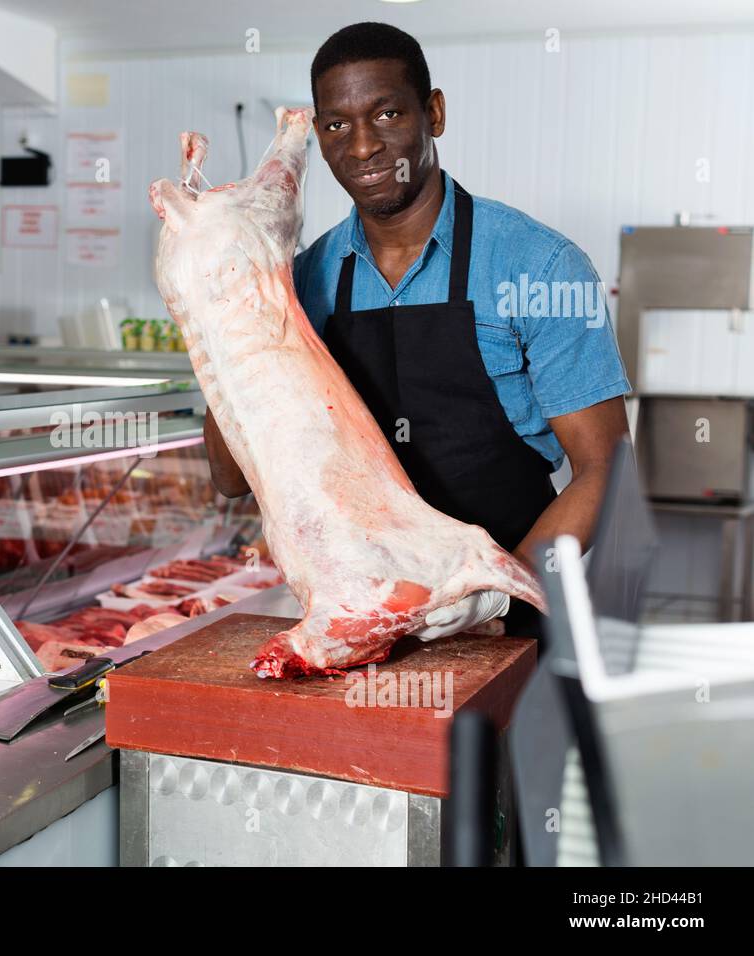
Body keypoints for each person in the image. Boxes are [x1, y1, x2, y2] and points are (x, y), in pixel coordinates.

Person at [204, 22, 630, 638]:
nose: (362, 147)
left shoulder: (539, 266)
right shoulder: (302, 283)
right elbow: (230, 478)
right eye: (336, 125)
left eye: (387, 113)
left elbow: (604, 470)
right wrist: (231, 308)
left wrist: (497, 597)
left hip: (512, 620)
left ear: (434, 113)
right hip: (362, 615)